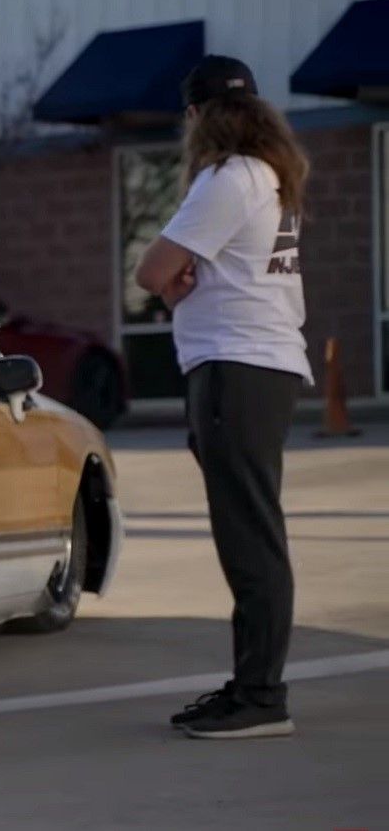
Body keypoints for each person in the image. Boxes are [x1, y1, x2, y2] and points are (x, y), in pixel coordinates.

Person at [134, 55, 311, 740]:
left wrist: (171, 279)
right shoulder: (270, 175)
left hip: (237, 369)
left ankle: (262, 697)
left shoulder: (227, 177)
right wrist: (180, 278)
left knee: (249, 539)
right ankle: (251, 687)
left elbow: (152, 270)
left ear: (194, 116)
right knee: (251, 532)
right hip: (258, 366)